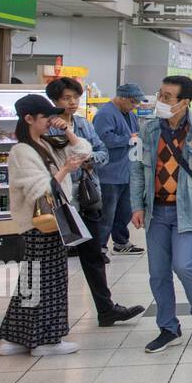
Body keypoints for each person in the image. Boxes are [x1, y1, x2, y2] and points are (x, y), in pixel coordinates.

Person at [130, 76, 192, 352]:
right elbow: (137, 171)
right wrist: (136, 205)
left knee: (184, 265)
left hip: (188, 209)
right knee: (158, 273)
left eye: (168, 97)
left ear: (185, 102)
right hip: (155, 211)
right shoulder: (146, 131)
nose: (161, 101)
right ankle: (168, 327)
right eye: (160, 94)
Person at [44, 78, 144, 328]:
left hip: (87, 196)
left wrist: (89, 159)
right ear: (55, 101)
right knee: (50, 262)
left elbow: (100, 152)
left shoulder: (83, 124)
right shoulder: (46, 128)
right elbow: (55, 160)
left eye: (75, 98)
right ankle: (48, 318)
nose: (73, 103)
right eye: (67, 98)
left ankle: (106, 309)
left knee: (93, 257)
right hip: (59, 202)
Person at [0, 94, 92, 356]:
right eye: (46, 117)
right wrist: (64, 170)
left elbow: (84, 151)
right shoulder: (22, 151)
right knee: (49, 281)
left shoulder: (45, 144)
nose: (51, 121)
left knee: (32, 281)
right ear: (29, 119)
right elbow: (39, 189)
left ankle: (18, 338)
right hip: (40, 225)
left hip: (50, 224)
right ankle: (46, 341)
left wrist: (69, 132)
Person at [91, 81, 147, 256]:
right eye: (132, 102)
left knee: (124, 211)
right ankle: (99, 247)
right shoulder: (105, 114)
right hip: (109, 172)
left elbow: (135, 134)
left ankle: (121, 242)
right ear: (122, 98)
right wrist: (128, 138)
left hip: (127, 171)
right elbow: (103, 139)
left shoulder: (129, 113)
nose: (135, 105)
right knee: (107, 213)